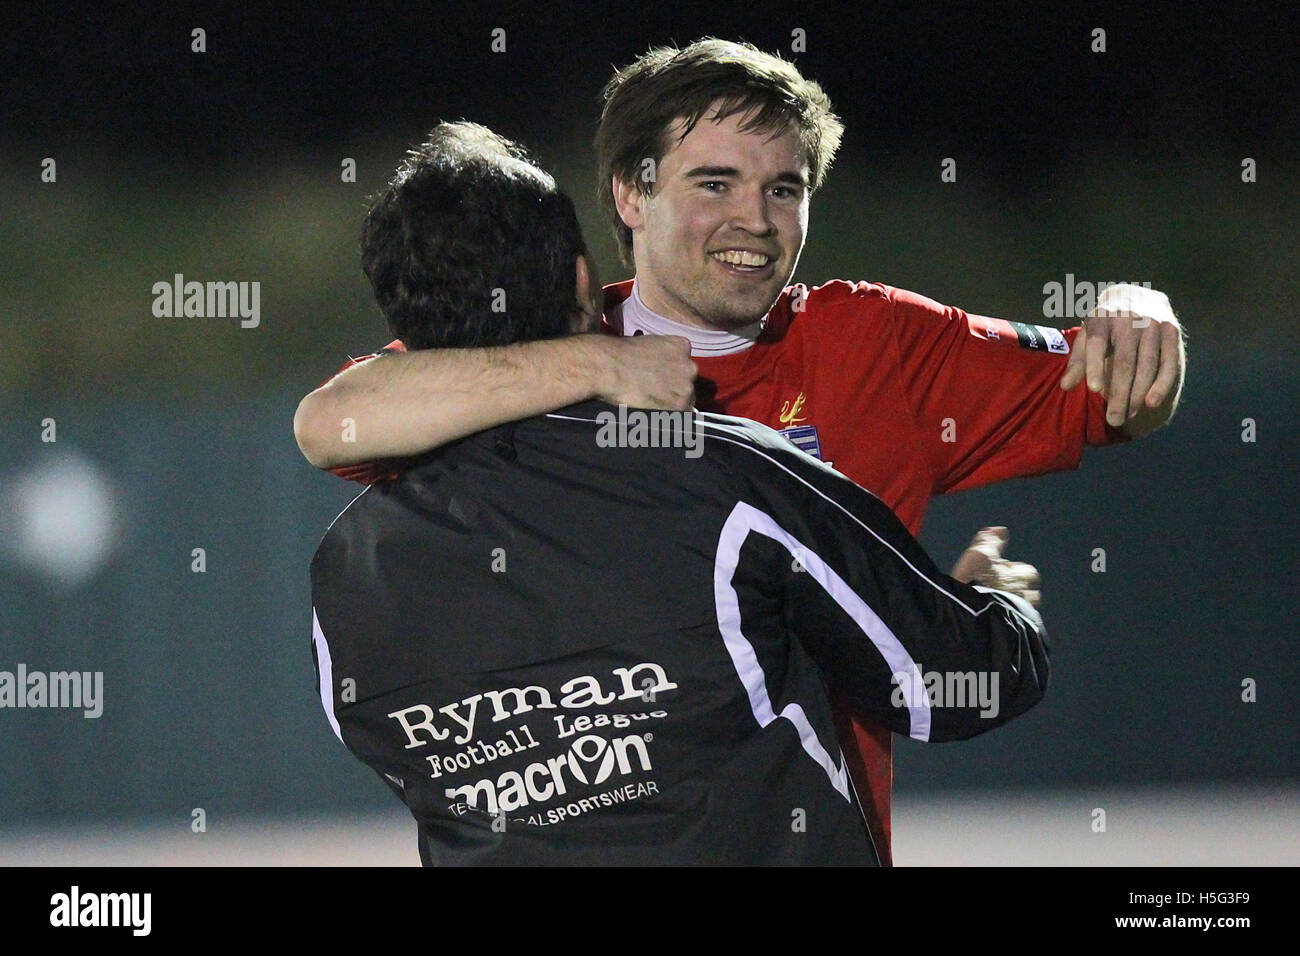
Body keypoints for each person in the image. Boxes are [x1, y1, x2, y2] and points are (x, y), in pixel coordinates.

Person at [295, 40, 1185, 863]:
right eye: (715, 183)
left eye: (784, 190)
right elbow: (329, 421)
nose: (754, 219)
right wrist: (599, 362)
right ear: (630, 194)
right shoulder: (532, 348)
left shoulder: (875, 343)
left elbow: (1121, 391)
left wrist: (1144, 309)